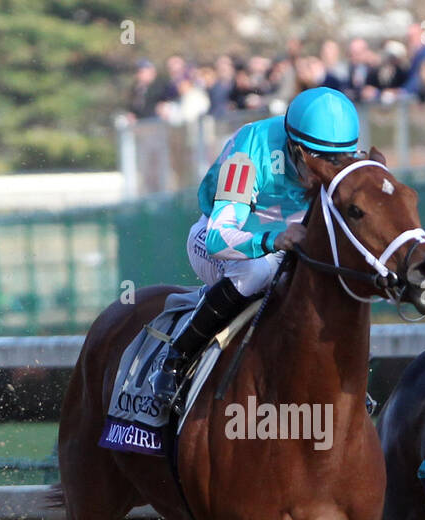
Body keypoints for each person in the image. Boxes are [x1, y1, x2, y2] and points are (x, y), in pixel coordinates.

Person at [147, 86, 361, 405]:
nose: (326, 172)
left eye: (338, 161)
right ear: (294, 146)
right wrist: (273, 239)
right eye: (318, 160)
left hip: (288, 249)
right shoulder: (251, 147)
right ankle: (175, 359)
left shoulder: (347, 161)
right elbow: (220, 238)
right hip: (220, 237)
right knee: (256, 270)